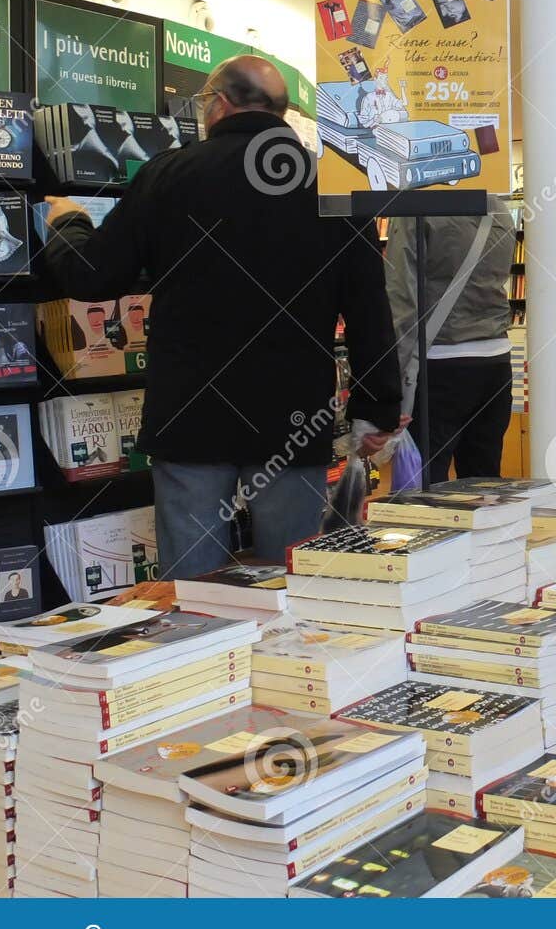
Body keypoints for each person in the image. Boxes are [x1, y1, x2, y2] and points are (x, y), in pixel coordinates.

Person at [43, 55, 404, 572]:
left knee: (193, 593)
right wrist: (378, 408)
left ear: (217, 105)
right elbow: (370, 308)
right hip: (292, 417)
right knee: (292, 578)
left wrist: (68, 222)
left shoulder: (168, 176)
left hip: (193, 415)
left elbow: (91, 278)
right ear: (281, 113)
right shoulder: (332, 188)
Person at [384, 197, 517, 486]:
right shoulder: (499, 210)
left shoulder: (415, 208)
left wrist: (391, 384)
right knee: (484, 486)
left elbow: (402, 300)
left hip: (439, 361)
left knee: (424, 487)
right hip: (496, 361)